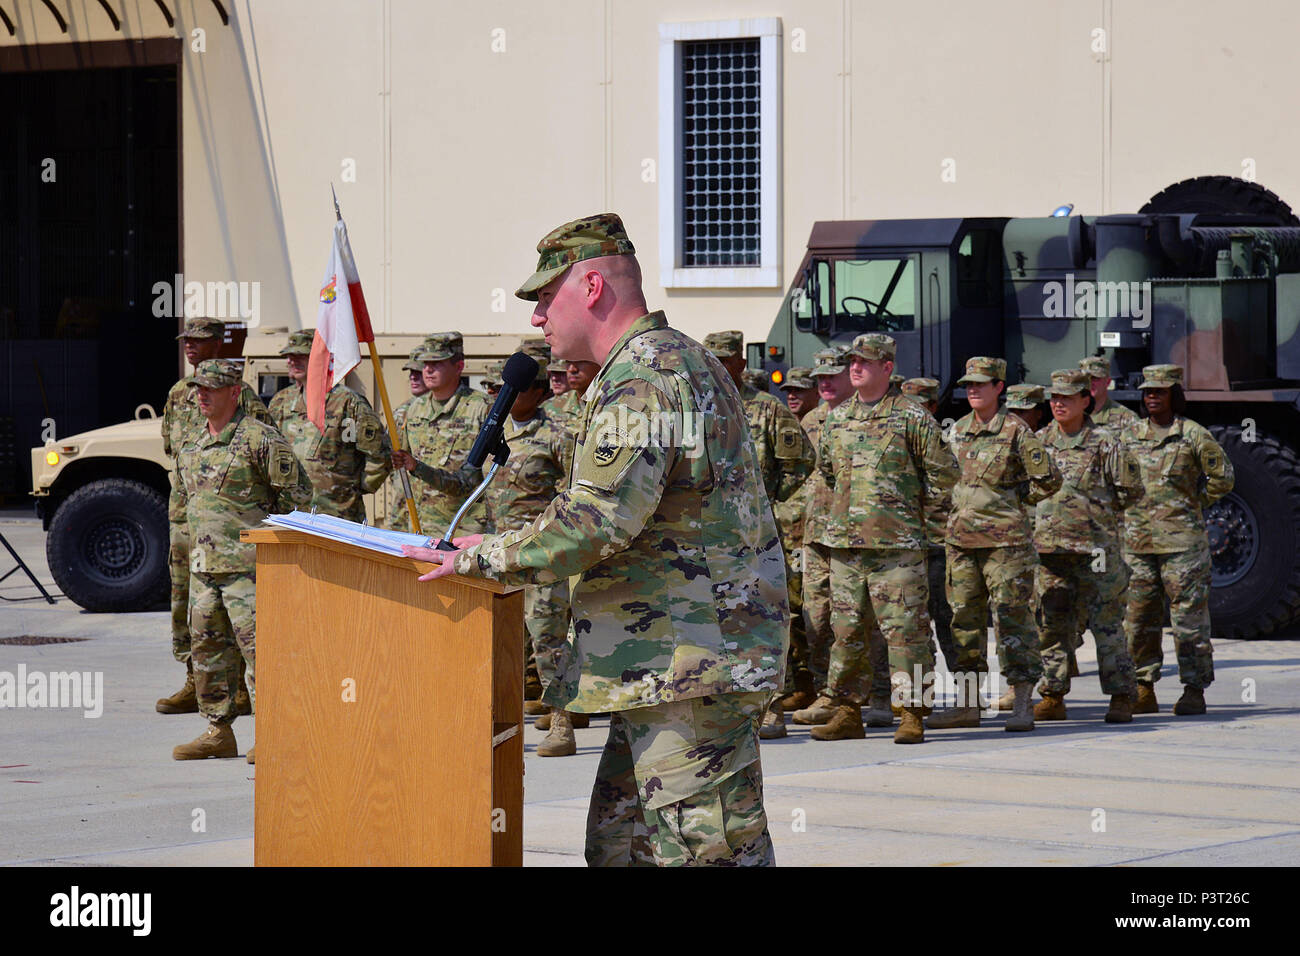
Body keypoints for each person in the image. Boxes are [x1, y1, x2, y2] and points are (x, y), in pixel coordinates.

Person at [403, 213, 787, 866]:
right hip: (668, 663)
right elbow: (622, 507)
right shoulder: (670, 361)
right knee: (619, 847)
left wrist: (484, 556)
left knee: (705, 855)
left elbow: (599, 521)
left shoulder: (642, 379)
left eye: (544, 298)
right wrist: (500, 535)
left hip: (688, 670)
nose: (536, 319)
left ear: (589, 287)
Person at [808, 334, 958, 744]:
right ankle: (847, 711)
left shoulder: (912, 417)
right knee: (846, 632)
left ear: (887, 367)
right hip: (845, 547)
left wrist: (910, 513)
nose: (855, 368)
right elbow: (828, 474)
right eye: (852, 361)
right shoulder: (837, 418)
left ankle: (912, 713)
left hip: (897, 548)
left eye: (866, 362)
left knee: (906, 631)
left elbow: (945, 475)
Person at [172, 360, 311, 761]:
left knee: (262, 655)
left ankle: (274, 733)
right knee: (207, 653)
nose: (202, 394)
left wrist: (275, 549)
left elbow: (298, 498)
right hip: (203, 571)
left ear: (235, 392)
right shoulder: (192, 443)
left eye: (212, 388)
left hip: (250, 571)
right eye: (199, 388)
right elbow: (187, 506)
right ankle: (218, 731)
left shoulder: (259, 439)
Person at [930, 357, 1060, 733]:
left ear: (999, 387)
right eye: (968, 384)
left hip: (1006, 546)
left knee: (1012, 620)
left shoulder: (1016, 431)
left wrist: (1014, 504)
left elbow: (1049, 480)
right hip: (960, 544)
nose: (972, 389)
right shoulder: (956, 431)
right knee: (964, 624)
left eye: (981, 384)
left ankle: (1022, 702)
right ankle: (968, 704)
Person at [704, 330, 816, 740]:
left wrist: (766, 505)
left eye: (724, 358)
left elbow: (801, 462)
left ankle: (771, 708)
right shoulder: (699, 407)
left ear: (740, 363)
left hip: (756, 536)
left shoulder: (766, 409)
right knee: (714, 620)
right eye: (710, 357)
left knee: (765, 621)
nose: (716, 365)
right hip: (710, 534)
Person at [157, 317, 270, 718]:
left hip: (229, 523)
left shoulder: (244, 397)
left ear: (216, 345)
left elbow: (263, 454)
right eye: (187, 340)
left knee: (238, 611)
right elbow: (174, 448)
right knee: (186, 599)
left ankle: (239, 687)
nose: (191, 347)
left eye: (199, 341)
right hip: (187, 515)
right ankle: (196, 678)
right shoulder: (176, 394)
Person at [1121, 364, 1233, 715]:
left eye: (1160, 391)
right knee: (1138, 620)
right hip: (1138, 546)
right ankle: (1142, 687)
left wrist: (1193, 504)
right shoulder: (1129, 435)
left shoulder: (1193, 435)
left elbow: (1223, 477)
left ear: (1175, 395)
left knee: (1188, 622)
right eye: (1147, 391)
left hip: (1183, 547)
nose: (1152, 396)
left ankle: (1193, 690)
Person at [1033, 369, 1143, 723]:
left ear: (1086, 400)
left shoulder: (1105, 442)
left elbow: (1132, 490)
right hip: (1050, 552)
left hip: (1095, 551)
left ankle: (1121, 696)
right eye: (1054, 397)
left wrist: (1098, 518)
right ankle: (1052, 695)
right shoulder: (1038, 441)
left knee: (1106, 623)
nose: (1058, 403)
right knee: (1052, 623)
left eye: (1067, 397)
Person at [790, 345, 856, 724]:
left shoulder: (860, 419)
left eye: (834, 375)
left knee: (857, 621)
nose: (826, 383)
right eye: (821, 378)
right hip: (814, 533)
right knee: (815, 616)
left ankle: (878, 694)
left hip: (854, 536)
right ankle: (825, 692)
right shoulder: (810, 422)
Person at [268, 330, 392, 523]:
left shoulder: (347, 402)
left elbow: (380, 454)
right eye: (289, 356)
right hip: (290, 514)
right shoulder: (281, 401)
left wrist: (354, 489)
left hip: (337, 516)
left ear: (321, 359)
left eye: (301, 356)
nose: (292, 361)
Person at [391, 332, 491, 537]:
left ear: (459, 367)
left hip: (461, 531)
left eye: (437, 363)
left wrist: (417, 467)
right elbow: (402, 474)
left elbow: (474, 480)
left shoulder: (481, 408)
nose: (427, 370)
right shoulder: (414, 409)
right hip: (419, 528)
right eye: (425, 363)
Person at [900, 377, 958, 674]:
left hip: (940, 547)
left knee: (952, 625)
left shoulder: (945, 442)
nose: (914, 414)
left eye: (920, 407)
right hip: (908, 548)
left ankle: (967, 700)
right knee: (909, 630)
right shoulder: (898, 441)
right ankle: (916, 700)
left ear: (933, 407)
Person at [382, 347, 430, 531]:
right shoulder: (403, 411)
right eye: (411, 373)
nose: (413, 377)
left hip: (435, 498)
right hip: (404, 494)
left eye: (418, 373)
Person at [1079, 356, 1138, 431]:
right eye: (1085, 379)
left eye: (1095, 378)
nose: (1090, 383)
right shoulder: (1070, 415)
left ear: (1108, 382)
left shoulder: (1126, 418)